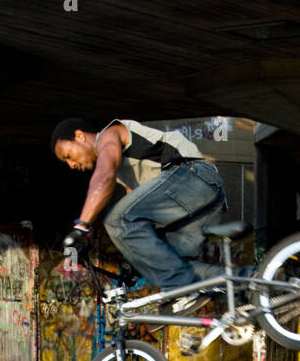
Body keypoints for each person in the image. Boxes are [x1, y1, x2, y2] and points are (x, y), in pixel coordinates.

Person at [51, 117, 233, 318]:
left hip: (193, 175)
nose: (70, 165)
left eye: (68, 155)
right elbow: (136, 210)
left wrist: (81, 227)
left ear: (79, 136)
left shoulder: (109, 135)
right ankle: (256, 284)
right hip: (205, 196)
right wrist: (139, 260)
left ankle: (182, 290)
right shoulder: (126, 172)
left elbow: (105, 175)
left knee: (116, 219)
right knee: (174, 262)